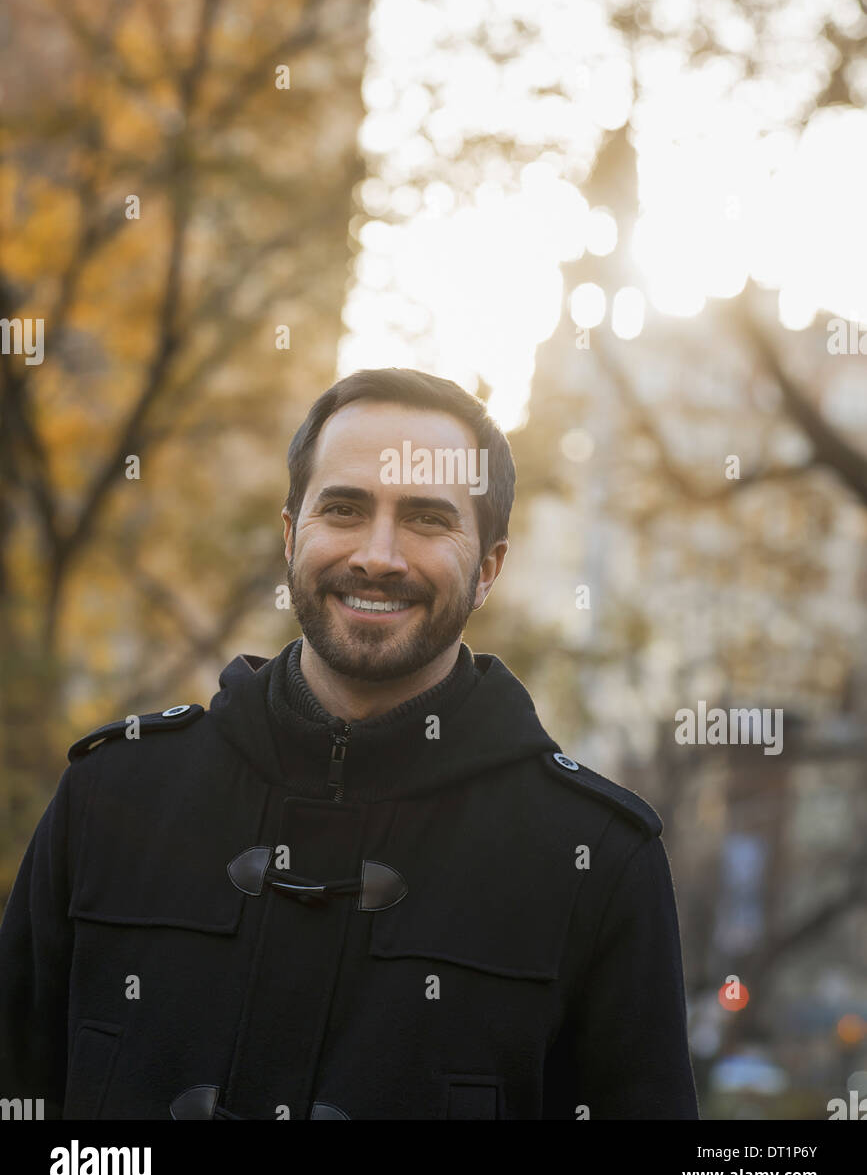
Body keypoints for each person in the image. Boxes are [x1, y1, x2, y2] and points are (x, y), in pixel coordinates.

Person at [0, 367, 699, 1120]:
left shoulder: (594, 858)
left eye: (427, 519)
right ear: (290, 533)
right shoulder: (112, 797)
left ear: (488, 568)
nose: (377, 555)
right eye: (343, 508)